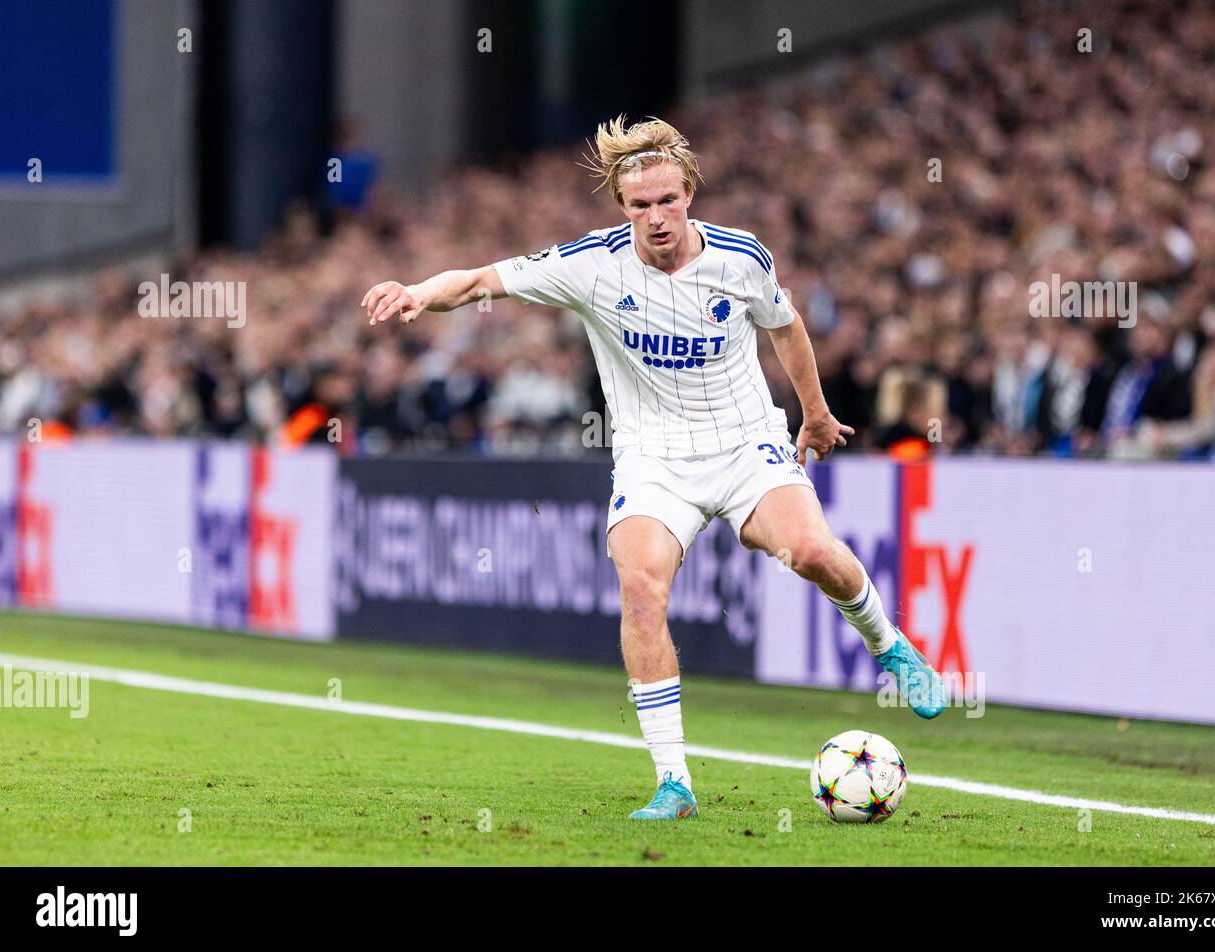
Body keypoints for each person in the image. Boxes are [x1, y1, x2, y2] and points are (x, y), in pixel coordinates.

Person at [359, 116, 946, 821]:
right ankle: (675, 782)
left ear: (689, 191)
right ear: (621, 206)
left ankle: (890, 646)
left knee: (813, 551)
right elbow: (486, 278)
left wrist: (814, 413)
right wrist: (421, 292)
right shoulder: (593, 264)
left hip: (744, 444)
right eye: (640, 206)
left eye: (667, 200)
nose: (656, 217)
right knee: (640, 588)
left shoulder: (740, 258)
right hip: (652, 459)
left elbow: (784, 326)